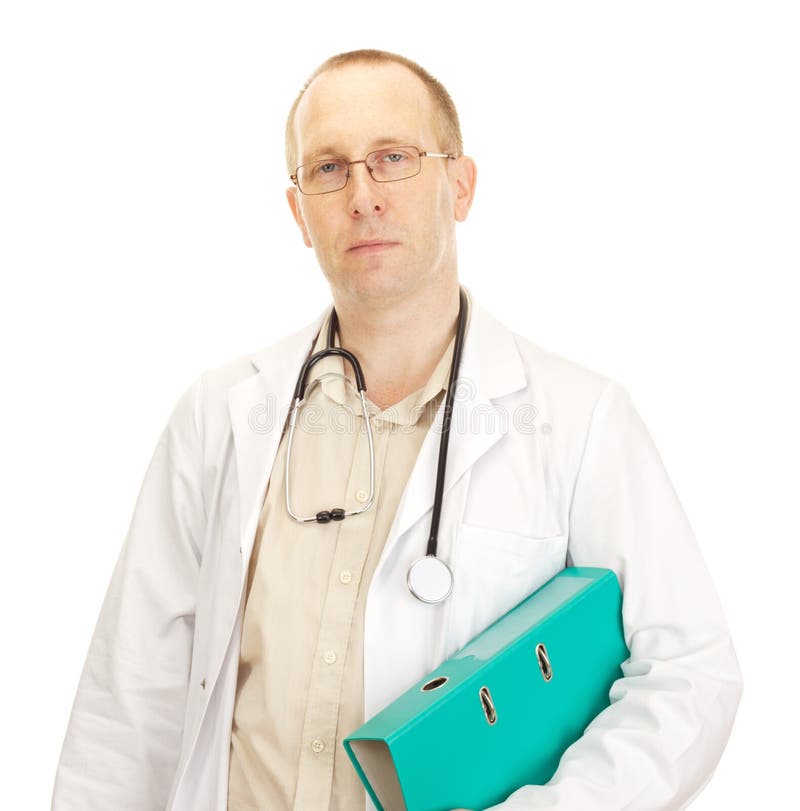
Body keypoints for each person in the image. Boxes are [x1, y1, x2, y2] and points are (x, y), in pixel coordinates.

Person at [51, 49, 743, 811]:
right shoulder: (219, 415)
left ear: (461, 185)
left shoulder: (580, 419)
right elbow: (127, 699)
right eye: (328, 169)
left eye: (393, 158)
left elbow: (689, 673)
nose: (362, 195)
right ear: (298, 214)